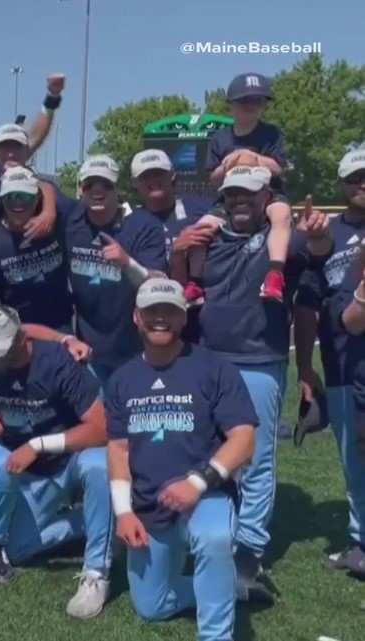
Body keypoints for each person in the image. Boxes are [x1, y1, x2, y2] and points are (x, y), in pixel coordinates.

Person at [169, 164, 331, 593]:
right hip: (205, 360)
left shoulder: (284, 240)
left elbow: (318, 248)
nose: (241, 200)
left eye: (250, 194)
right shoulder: (206, 237)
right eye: (233, 194)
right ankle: (207, 539)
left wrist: (316, 232)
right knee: (204, 455)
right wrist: (179, 255)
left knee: (254, 461)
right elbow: (176, 292)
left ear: (266, 199)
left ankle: (247, 553)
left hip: (259, 362)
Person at [106, 278, 260, 640]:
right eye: (151, 311)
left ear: (183, 318)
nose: (160, 319)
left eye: (170, 312)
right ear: (136, 318)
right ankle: (228, 587)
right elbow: (118, 449)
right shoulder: (121, 379)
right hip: (149, 505)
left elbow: (244, 438)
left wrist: (196, 482)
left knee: (213, 537)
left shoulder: (213, 368)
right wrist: (123, 511)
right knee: (151, 605)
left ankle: (216, 634)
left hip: (205, 497)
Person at [0, 304, 109, 616]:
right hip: (36, 473)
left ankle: (97, 571)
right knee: (18, 550)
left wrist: (37, 445)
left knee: (99, 466)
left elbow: (102, 429)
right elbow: (2, 415)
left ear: (18, 341)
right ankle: (91, 523)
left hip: (72, 459)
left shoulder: (58, 363)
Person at [187, 72, 292, 305]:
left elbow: (278, 168)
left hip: (267, 193)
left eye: (258, 100)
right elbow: (213, 177)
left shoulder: (270, 133)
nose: (251, 105)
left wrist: (251, 157)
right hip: (231, 197)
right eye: (244, 100)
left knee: (282, 215)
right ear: (231, 105)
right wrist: (231, 160)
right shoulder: (220, 138)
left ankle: (275, 274)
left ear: (264, 105)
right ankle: (195, 283)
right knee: (200, 229)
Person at [308, 150, 365, 571]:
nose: (362, 184)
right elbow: (313, 303)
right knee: (355, 460)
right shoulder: (326, 233)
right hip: (344, 366)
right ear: (343, 184)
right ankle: (360, 541)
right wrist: (307, 369)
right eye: (355, 178)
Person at [65, 155, 167, 386]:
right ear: (80, 189)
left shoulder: (144, 225)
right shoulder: (71, 220)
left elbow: (160, 282)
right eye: (90, 184)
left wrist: (127, 263)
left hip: (134, 353)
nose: (97, 190)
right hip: (88, 353)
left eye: (106, 184)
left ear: (118, 189)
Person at [0, 167, 71, 333]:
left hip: (63, 331)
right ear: (1, 200)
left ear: (36, 200)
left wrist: (49, 210)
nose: (18, 202)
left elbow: (89, 203)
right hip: (19, 335)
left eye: (26, 196)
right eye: (11, 196)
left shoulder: (56, 222)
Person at [127, 150, 212, 258]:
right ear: (134, 183)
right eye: (145, 176)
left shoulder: (202, 208)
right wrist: (176, 247)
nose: (153, 180)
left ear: (172, 174)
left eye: (158, 173)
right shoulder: (129, 224)